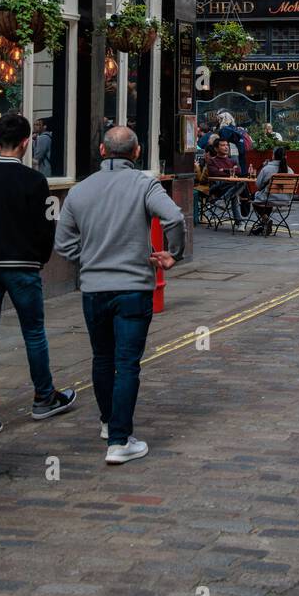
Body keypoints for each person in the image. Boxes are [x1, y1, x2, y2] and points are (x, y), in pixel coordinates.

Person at [55, 125, 184, 465]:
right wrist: (174, 253)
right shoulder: (144, 184)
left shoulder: (80, 191)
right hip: (133, 287)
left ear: (101, 151)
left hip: (94, 288)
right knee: (127, 363)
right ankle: (119, 440)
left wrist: (88, 259)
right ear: (137, 152)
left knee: (102, 358)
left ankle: (107, 423)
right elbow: (174, 217)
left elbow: (63, 243)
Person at [0, 111, 76, 441]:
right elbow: (44, 228)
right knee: (34, 333)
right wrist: (39, 259)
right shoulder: (34, 182)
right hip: (22, 266)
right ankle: (43, 397)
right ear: (26, 143)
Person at [201, 139, 245, 228]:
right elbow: (215, 173)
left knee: (239, 186)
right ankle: (240, 222)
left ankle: (223, 201)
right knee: (236, 185)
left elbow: (239, 171)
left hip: (229, 189)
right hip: (217, 188)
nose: (226, 147)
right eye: (222, 145)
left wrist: (223, 170)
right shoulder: (212, 161)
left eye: (227, 145)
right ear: (216, 149)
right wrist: (231, 171)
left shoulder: (232, 161)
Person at [251, 145, 291, 234]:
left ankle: (265, 220)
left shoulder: (267, 169)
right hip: (285, 200)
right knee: (267, 198)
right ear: (285, 157)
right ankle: (264, 224)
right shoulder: (290, 170)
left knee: (254, 197)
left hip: (267, 199)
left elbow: (258, 185)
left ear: (273, 156)